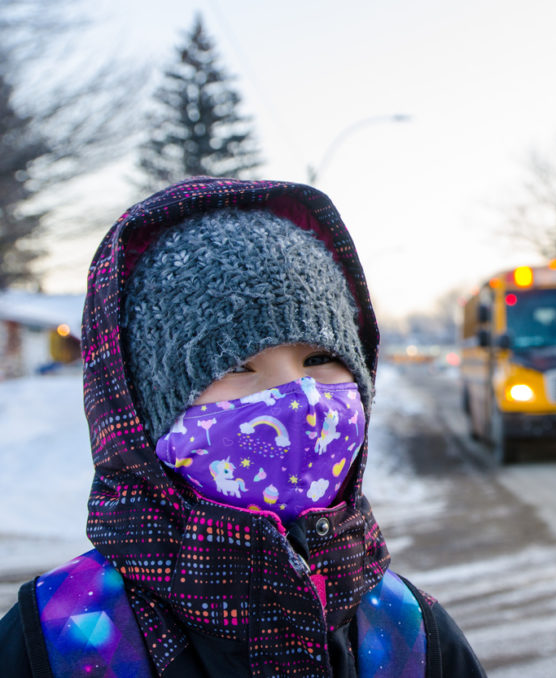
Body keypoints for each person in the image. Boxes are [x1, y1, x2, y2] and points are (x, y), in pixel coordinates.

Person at [0, 177, 487, 677]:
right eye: (236, 366)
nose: (299, 398)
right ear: (147, 413)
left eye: (320, 357)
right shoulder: (59, 642)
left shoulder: (414, 638)